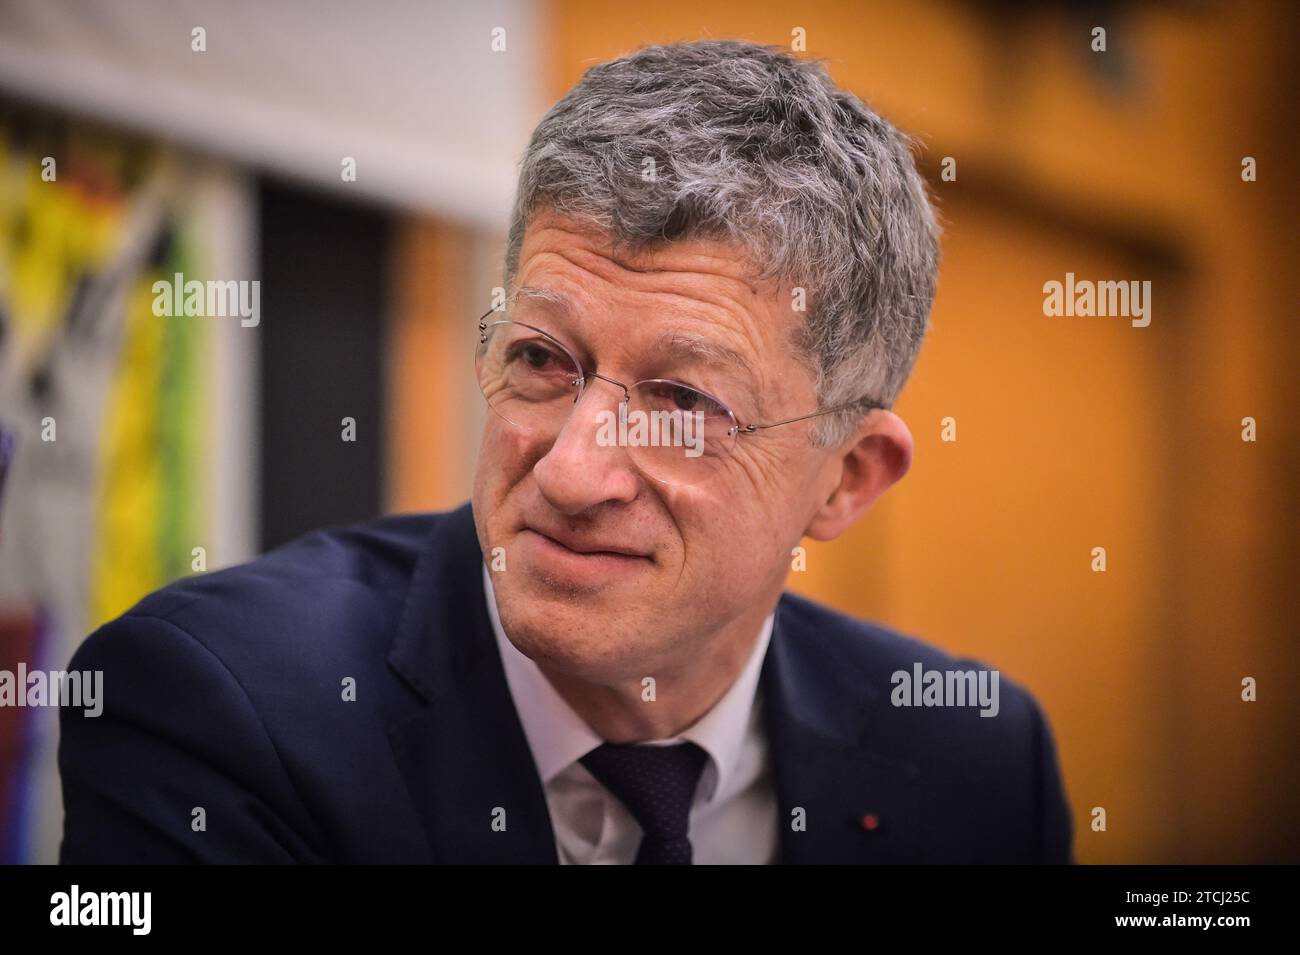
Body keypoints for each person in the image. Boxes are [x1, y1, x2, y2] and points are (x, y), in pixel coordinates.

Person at [59, 39, 1073, 864]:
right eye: (542, 359)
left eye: (682, 399)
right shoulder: (218, 707)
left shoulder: (971, 760)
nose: (569, 471)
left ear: (846, 476)